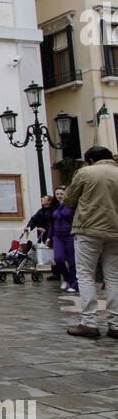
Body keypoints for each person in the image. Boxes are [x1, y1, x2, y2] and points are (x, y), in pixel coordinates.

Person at [62, 145, 118, 339]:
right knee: (114, 277)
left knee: (85, 275)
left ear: (91, 160)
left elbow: (69, 200)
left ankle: (89, 323)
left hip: (88, 228)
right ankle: (116, 324)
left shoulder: (86, 172)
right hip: (115, 231)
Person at [47, 185, 78, 294]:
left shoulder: (71, 205)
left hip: (69, 235)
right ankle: (66, 278)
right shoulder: (54, 207)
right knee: (58, 258)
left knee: (72, 261)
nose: (59, 196)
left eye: (61, 194)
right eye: (57, 194)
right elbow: (51, 223)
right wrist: (49, 237)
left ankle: (74, 284)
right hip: (57, 236)